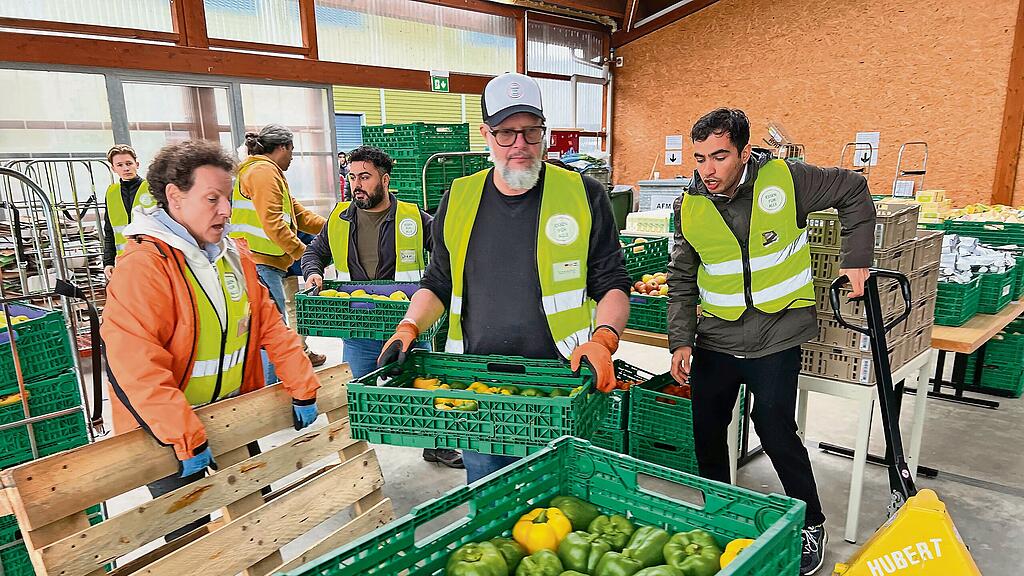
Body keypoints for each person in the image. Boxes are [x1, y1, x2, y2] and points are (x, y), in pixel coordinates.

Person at [376, 73, 631, 483]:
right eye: (506, 133)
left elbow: (612, 282)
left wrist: (603, 339)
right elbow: (438, 281)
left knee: (560, 507)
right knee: (489, 503)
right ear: (486, 135)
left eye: (531, 132)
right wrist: (408, 327)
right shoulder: (457, 197)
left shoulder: (584, 194)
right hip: (477, 387)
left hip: (560, 384)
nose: (520, 146)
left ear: (544, 133)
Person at [666, 108, 875, 575]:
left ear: (743, 151)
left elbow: (854, 190)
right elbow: (681, 277)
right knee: (706, 431)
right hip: (716, 338)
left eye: (719, 157)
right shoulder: (689, 204)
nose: (708, 170)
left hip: (777, 335)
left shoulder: (788, 181)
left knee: (774, 426)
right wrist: (680, 341)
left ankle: (811, 523)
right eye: (699, 158)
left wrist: (856, 256)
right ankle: (718, 513)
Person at [101, 140, 321, 540]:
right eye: (212, 198)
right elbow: (134, 362)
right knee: (192, 540)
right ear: (174, 196)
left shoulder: (232, 256)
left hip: (228, 414)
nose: (226, 210)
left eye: (228, 198)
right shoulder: (145, 266)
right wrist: (182, 434)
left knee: (254, 518)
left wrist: (302, 385)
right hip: (165, 433)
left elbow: (269, 323)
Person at [301, 146, 460, 468]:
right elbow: (314, 253)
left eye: (364, 177)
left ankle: (436, 444)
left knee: (422, 390)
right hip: (358, 327)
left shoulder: (414, 218)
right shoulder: (339, 218)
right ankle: (353, 461)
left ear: (384, 180)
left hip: (409, 324)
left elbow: (446, 256)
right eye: (352, 177)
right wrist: (313, 272)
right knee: (358, 396)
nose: (356, 184)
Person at [230, 124, 328, 373]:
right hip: (260, 263)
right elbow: (273, 223)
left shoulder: (268, 171)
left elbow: (299, 215)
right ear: (282, 147)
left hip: (269, 263)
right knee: (274, 333)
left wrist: (335, 229)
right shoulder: (263, 172)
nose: (293, 156)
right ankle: (275, 391)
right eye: (292, 149)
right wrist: (305, 256)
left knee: (276, 328)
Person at [103, 144, 156, 280]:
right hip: (124, 260)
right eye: (120, 165)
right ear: (113, 168)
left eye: (129, 163)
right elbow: (109, 231)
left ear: (137, 164)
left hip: (151, 257)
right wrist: (108, 262)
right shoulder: (111, 193)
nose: (126, 168)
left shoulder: (152, 189)